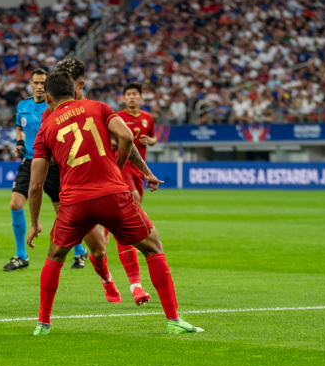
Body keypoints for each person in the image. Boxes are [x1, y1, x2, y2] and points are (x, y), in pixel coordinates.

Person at [26, 72, 202, 336]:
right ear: (74, 92)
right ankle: (173, 319)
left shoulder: (46, 127)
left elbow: (35, 186)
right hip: (113, 194)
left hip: (74, 202)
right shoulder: (98, 107)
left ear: (48, 97)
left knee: (55, 257)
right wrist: (116, 171)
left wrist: (35, 223)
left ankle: (43, 324)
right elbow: (127, 137)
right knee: (153, 248)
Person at [46, 57, 121, 297]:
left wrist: (144, 170)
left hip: (102, 184)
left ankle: (110, 281)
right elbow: (44, 156)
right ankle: (107, 280)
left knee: (99, 251)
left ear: (79, 85)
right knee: (95, 249)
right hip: (72, 190)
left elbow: (123, 138)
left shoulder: (96, 109)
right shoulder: (50, 116)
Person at [113, 82, 158, 305]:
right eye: (128, 94)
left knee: (134, 200)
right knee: (134, 200)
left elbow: (153, 137)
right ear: (124, 98)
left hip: (139, 167)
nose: (131, 98)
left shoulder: (147, 117)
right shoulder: (117, 116)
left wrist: (151, 141)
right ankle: (131, 230)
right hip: (122, 166)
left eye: (135, 94)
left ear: (141, 97)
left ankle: (117, 228)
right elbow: (111, 138)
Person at [3, 68, 49, 272]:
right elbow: (20, 128)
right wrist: (19, 143)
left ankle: (78, 251)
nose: (40, 86)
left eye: (43, 83)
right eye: (36, 83)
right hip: (30, 161)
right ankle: (21, 255)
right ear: (30, 84)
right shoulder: (23, 105)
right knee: (15, 203)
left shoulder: (53, 105)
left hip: (52, 163)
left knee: (63, 209)